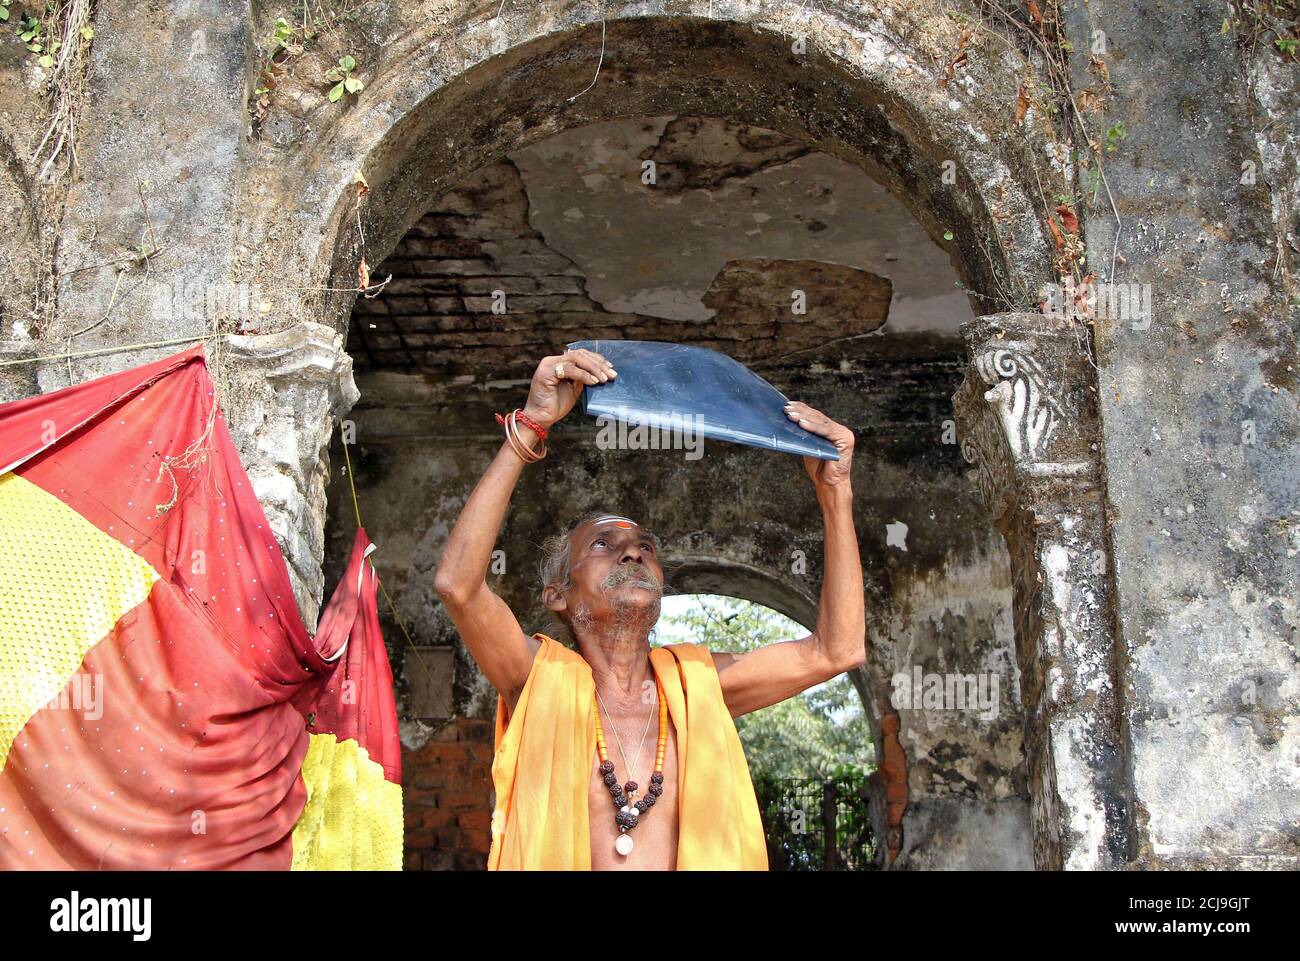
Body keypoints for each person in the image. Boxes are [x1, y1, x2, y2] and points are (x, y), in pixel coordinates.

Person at [434, 347, 866, 870]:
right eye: (602, 545)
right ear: (558, 595)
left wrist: (836, 493)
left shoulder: (695, 688)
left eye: (646, 546)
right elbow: (459, 584)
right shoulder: (536, 679)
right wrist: (532, 424)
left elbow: (837, 650)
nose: (633, 551)